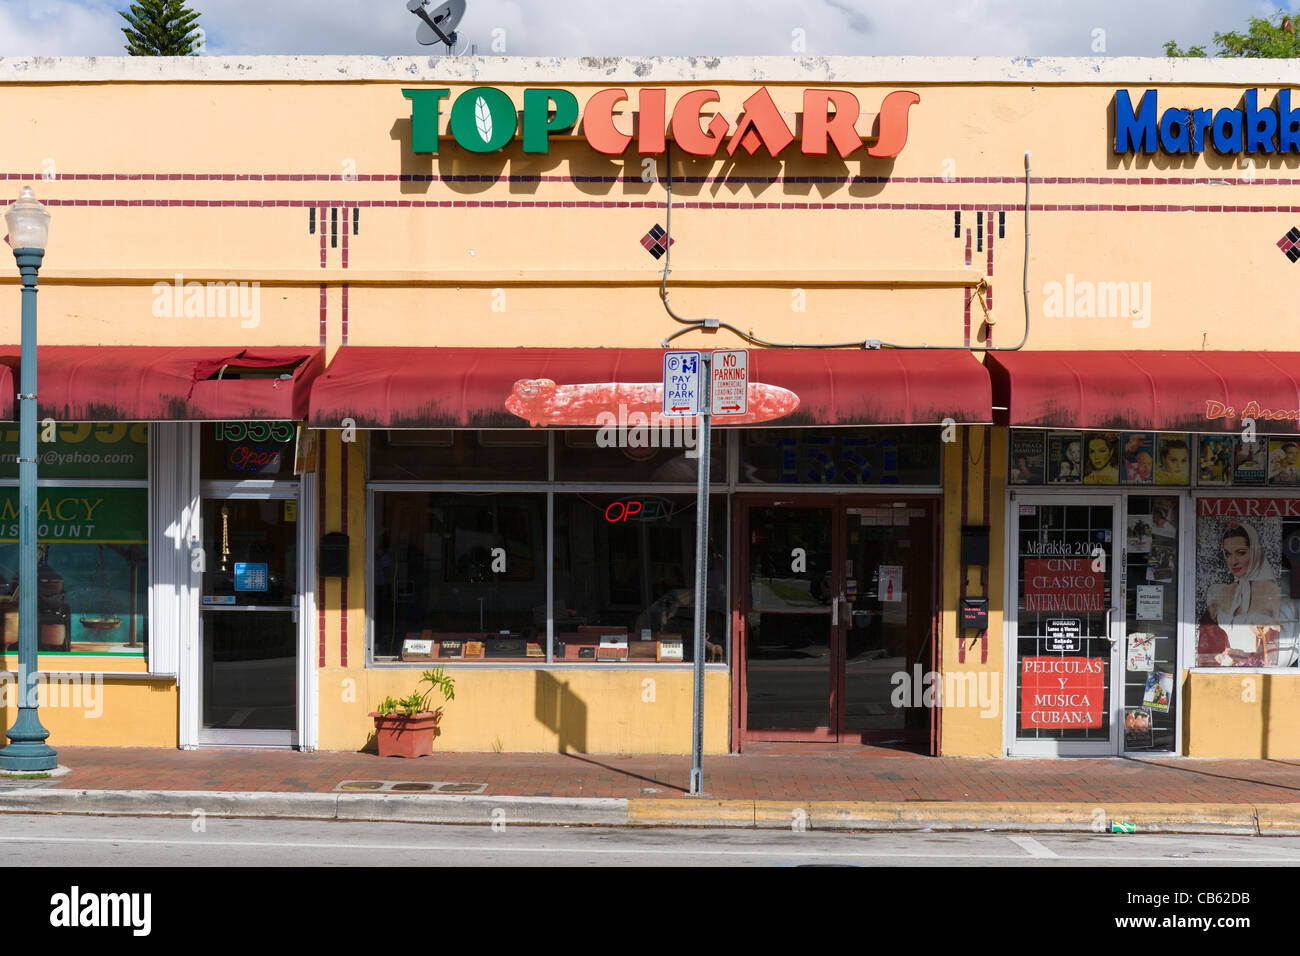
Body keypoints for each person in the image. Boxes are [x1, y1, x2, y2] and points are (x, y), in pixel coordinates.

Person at [1197, 520, 1281, 666]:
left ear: (1254, 552)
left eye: (1241, 553)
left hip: (1259, 673)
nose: (1233, 561)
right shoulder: (1225, 592)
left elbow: (1274, 646)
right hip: (1227, 670)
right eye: (1228, 554)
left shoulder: (1270, 592)